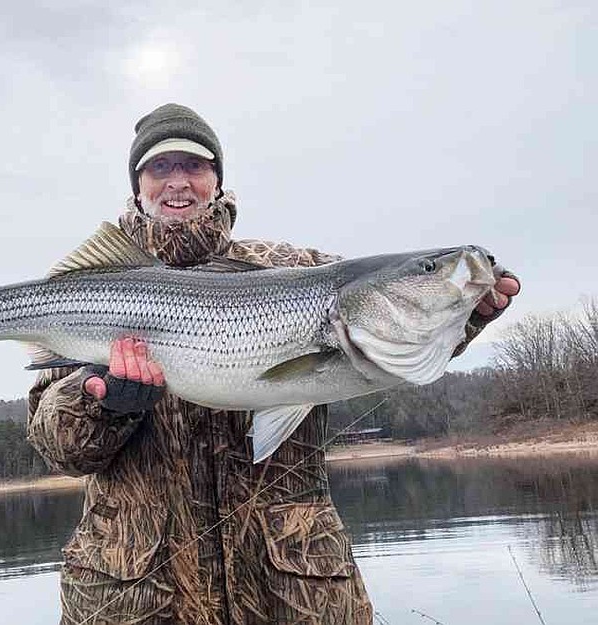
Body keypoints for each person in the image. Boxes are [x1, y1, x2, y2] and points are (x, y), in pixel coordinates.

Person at [27, 103, 521, 625]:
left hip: (291, 589)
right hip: (138, 596)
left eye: (194, 166)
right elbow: (57, 446)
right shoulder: (94, 291)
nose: (178, 181)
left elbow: (394, 332)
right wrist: (103, 406)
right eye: (160, 167)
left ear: (217, 180)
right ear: (138, 186)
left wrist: (461, 314)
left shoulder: (297, 267)